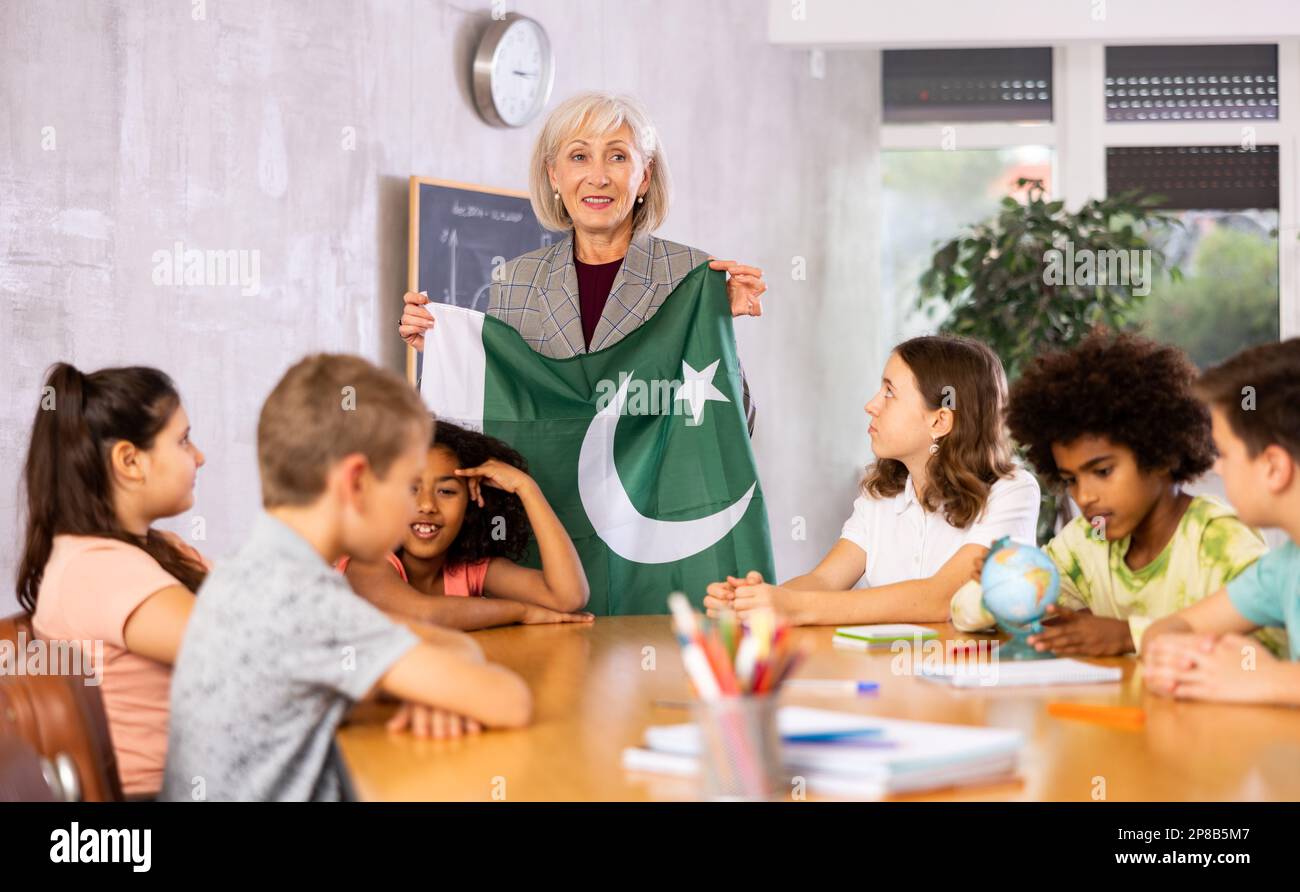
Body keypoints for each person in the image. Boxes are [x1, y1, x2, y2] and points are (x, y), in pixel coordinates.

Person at [399, 91, 768, 433]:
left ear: (644, 177)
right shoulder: (516, 280)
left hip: (649, 485)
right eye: (579, 157)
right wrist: (444, 352)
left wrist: (715, 326)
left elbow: (732, 428)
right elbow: (494, 405)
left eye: (618, 157)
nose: (598, 177)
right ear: (554, 176)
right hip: (544, 484)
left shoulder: (690, 274)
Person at [705, 336, 1039, 625]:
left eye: (889, 393)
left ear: (939, 421)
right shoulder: (880, 495)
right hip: (887, 674)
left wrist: (793, 607)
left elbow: (942, 599)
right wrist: (752, 602)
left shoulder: (1012, 492)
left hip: (969, 675)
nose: (871, 405)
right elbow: (824, 581)